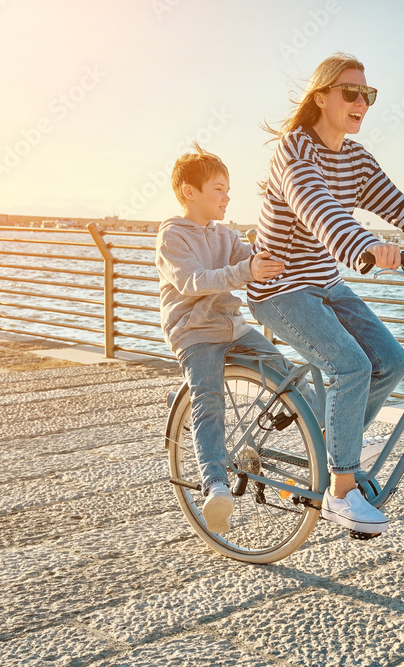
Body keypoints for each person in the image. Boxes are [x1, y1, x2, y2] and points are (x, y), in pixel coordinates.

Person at [247, 52, 404, 535]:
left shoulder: (356, 159)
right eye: (351, 92)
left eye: (369, 94)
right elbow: (319, 209)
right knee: (350, 365)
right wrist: (365, 246)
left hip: (324, 282)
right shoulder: (293, 152)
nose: (362, 101)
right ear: (321, 97)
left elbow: (402, 207)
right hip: (279, 288)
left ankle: (332, 443)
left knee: (391, 361)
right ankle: (341, 490)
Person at [156, 143, 319, 534]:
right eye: (218, 189)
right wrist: (245, 270)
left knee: (288, 372)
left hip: (232, 326)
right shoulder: (172, 236)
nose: (227, 197)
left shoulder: (224, 234)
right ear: (189, 192)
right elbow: (192, 281)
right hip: (195, 334)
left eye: (229, 190)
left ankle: (329, 437)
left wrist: (288, 250)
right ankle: (215, 485)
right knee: (208, 401)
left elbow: (254, 257)